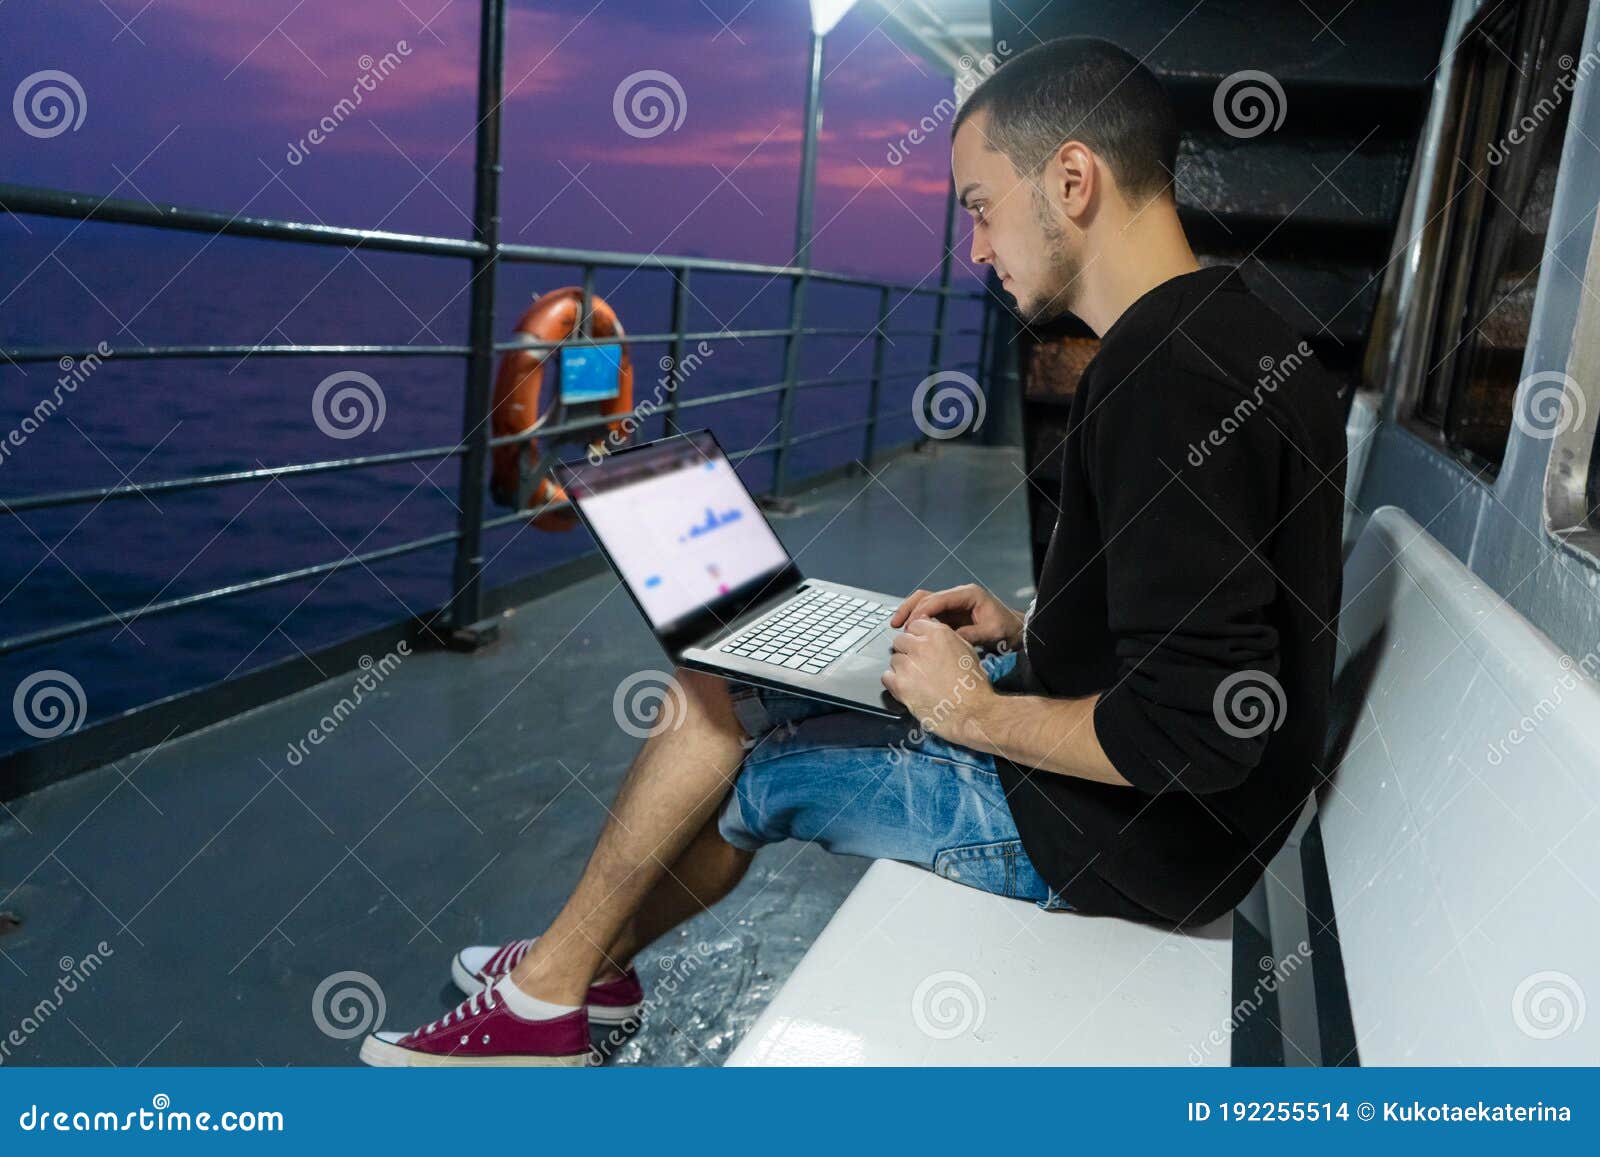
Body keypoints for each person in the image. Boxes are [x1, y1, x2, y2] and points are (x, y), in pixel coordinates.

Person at [360, 34, 1348, 1067]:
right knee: (729, 676)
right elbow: (1217, 608)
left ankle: (546, 999)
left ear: (1071, 178)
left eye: (977, 204)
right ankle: (574, 975)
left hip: (1123, 843)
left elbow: (1195, 732)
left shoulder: (1161, 378)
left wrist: (973, 710)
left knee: (741, 741)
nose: (973, 250)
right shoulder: (1246, 333)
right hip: (1201, 830)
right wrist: (1034, 629)